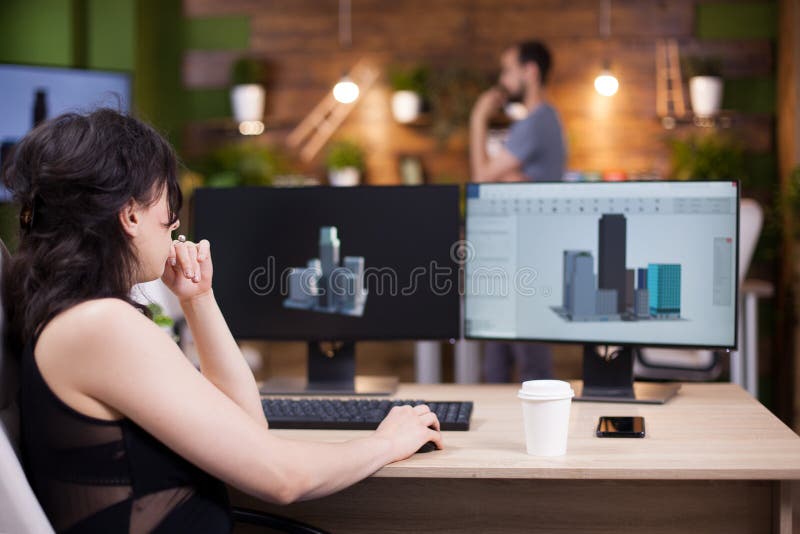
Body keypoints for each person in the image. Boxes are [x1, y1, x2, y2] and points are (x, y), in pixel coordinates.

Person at [3, 109, 443, 533]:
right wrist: (387, 442)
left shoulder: (77, 317)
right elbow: (282, 478)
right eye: (166, 197)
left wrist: (198, 299)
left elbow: (249, 427)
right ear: (131, 214)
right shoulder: (99, 325)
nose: (174, 220)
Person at [469, 40, 567, 383]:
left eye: (508, 69)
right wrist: (510, 177)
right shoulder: (543, 121)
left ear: (531, 71)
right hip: (517, 256)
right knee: (498, 362)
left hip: (526, 258)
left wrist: (479, 116)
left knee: (529, 365)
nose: (503, 79)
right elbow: (497, 180)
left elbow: (481, 178)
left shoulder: (535, 123)